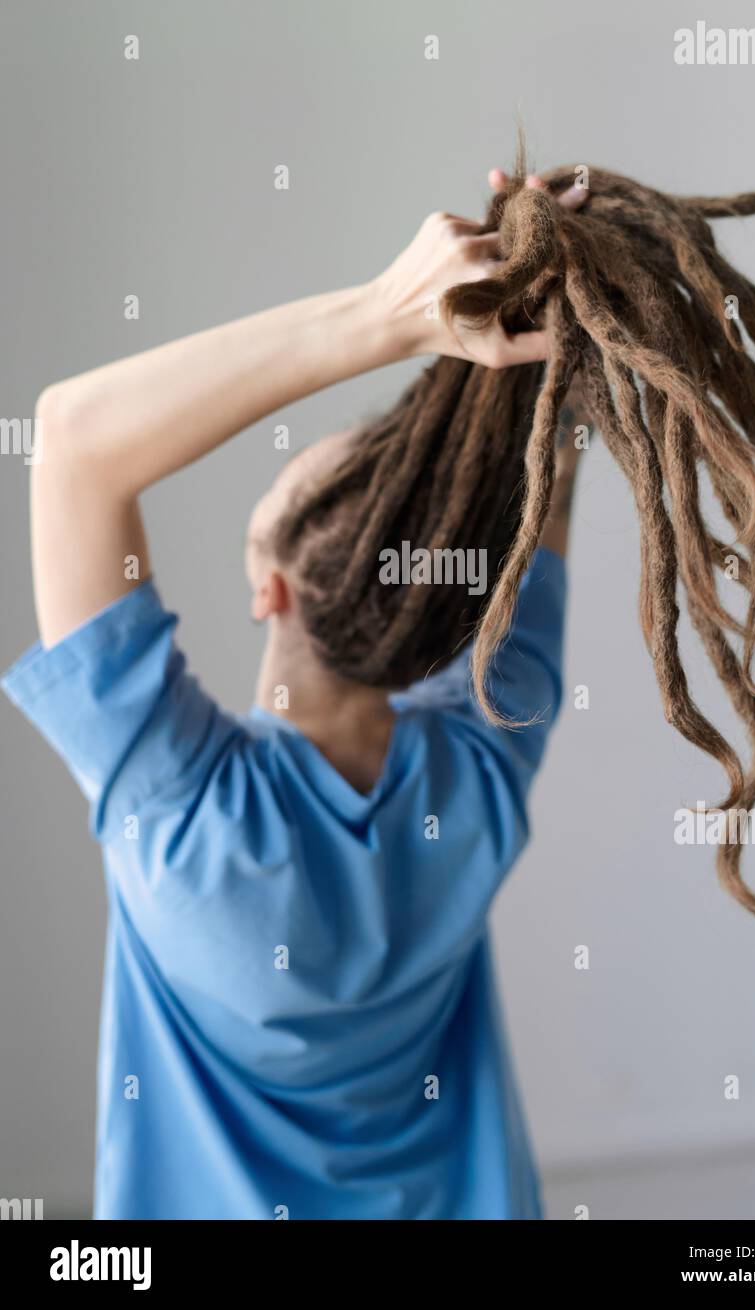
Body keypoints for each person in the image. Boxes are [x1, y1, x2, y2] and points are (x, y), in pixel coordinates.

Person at [3, 169, 590, 1219]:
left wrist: (391, 318)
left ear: (265, 584)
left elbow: (76, 439)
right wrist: (564, 291)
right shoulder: (481, 768)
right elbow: (541, 459)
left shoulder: (174, 809)